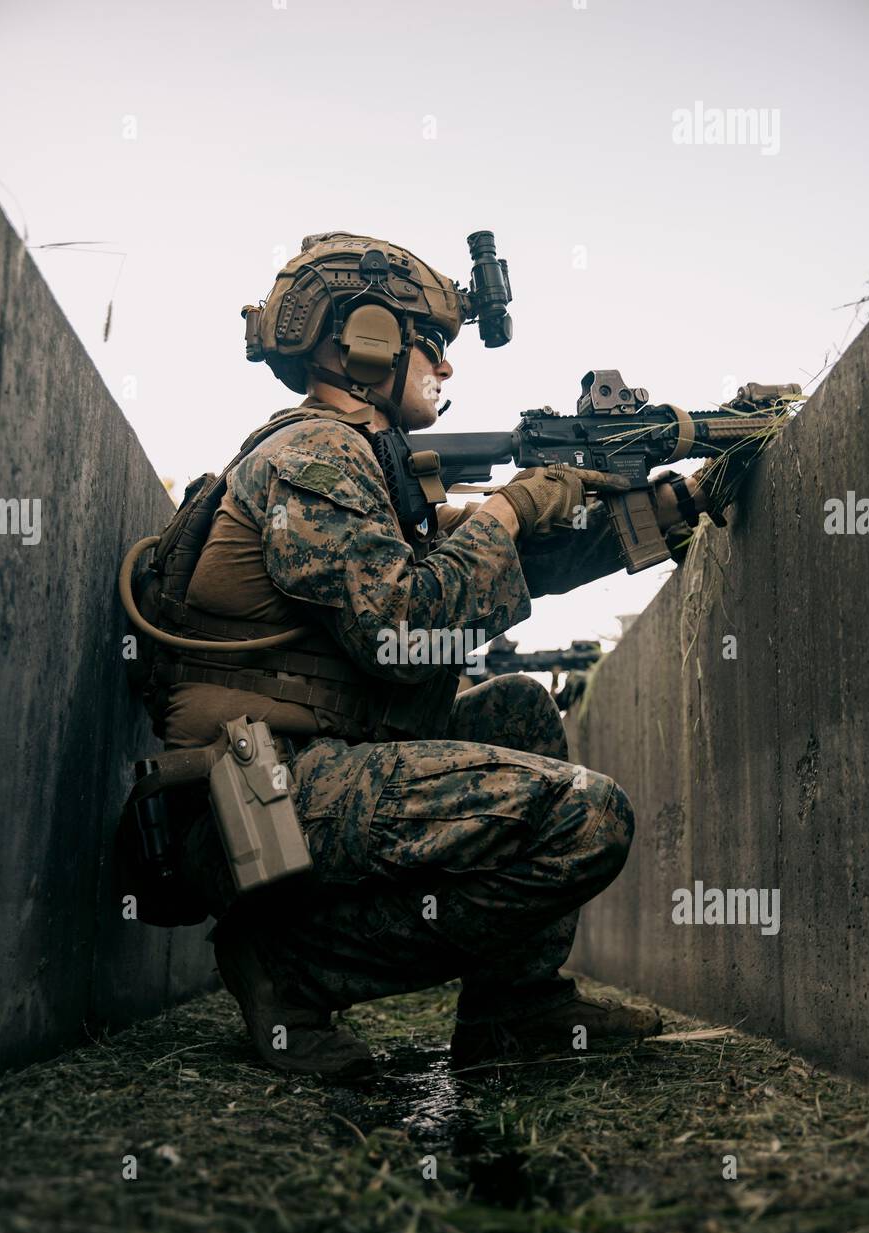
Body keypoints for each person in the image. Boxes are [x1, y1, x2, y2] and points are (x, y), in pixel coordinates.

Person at [157, 232, 714, 1079]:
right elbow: (401, 632)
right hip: (262, 796)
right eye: (436, 346)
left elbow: (503, 573)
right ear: (370, 340)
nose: (446, 370)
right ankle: (291, 968)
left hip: (314, 771)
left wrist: (682, 501)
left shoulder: (368, 467)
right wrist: (501, 514)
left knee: (521, 708)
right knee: (588, 818)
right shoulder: (314, 455)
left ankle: (514, 1011)